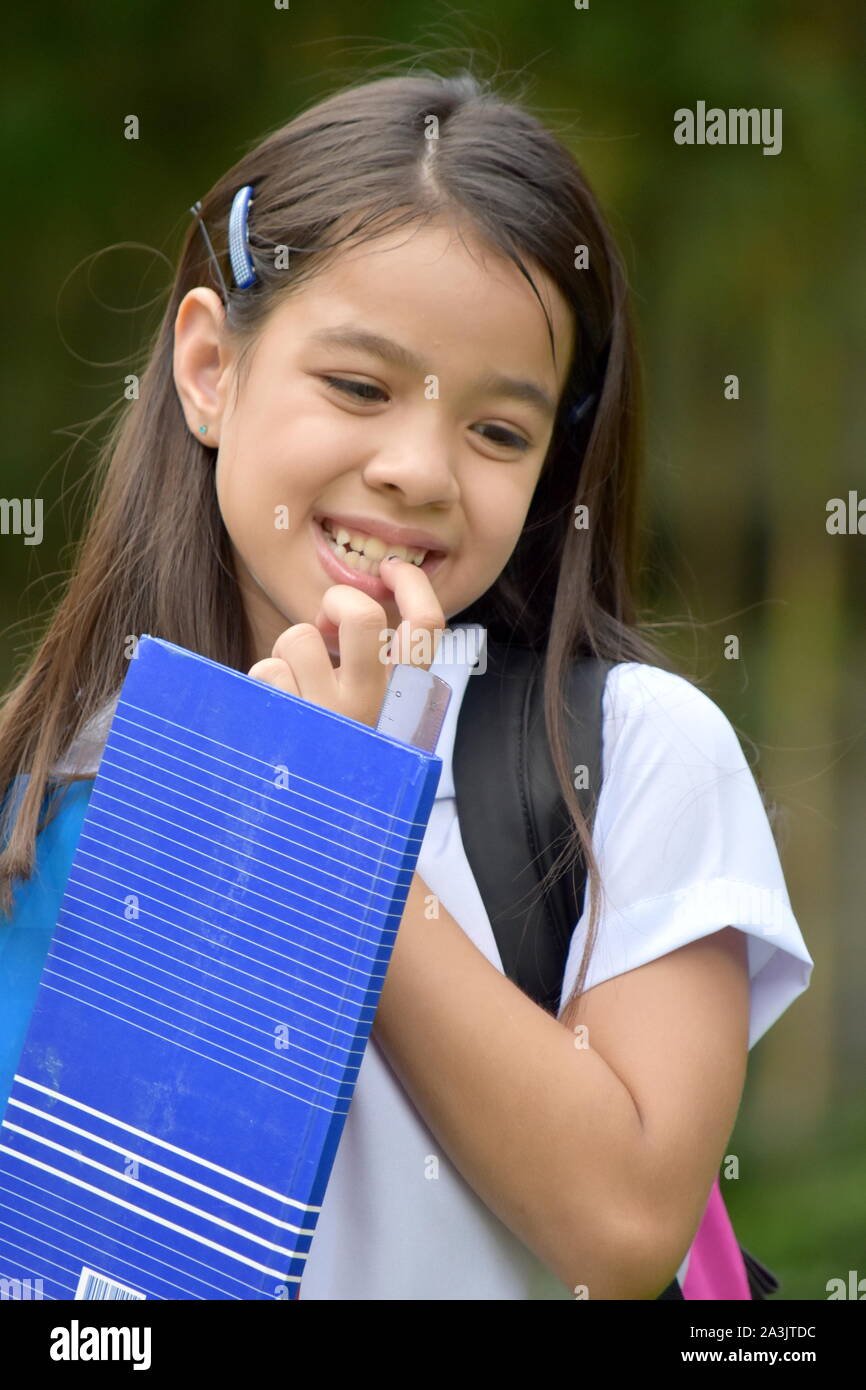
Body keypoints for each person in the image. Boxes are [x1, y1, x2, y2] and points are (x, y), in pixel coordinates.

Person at [0, 68, 813, 1300]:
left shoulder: (635, 751)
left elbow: (623, 1226)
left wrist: (330, 814)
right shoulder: (47, 779)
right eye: (360, 387)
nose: (419, 469)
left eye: (498, 431)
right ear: (211, 366)